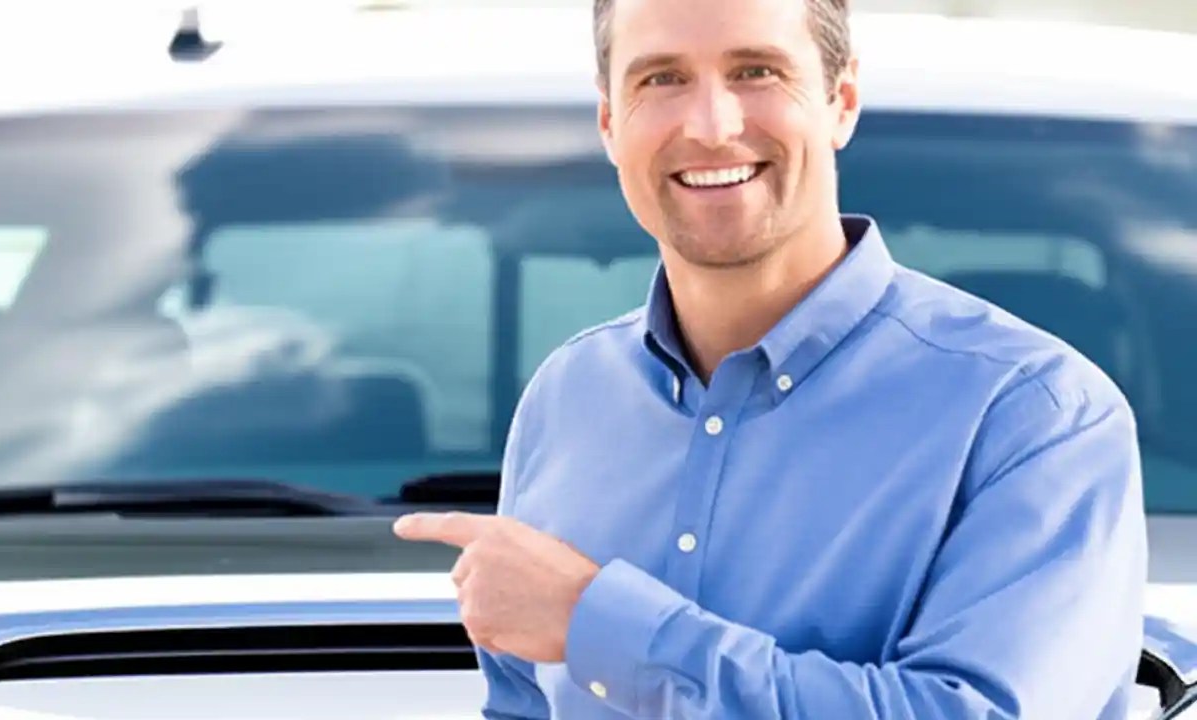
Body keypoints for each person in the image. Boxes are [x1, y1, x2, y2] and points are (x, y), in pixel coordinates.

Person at [393, 0, 1148, 716]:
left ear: (842, 99)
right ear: (608, 121)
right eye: (662, 79)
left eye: (756, 71)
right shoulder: (566, 399)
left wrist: (604, 626)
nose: (713, 125)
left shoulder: (1032, 415)